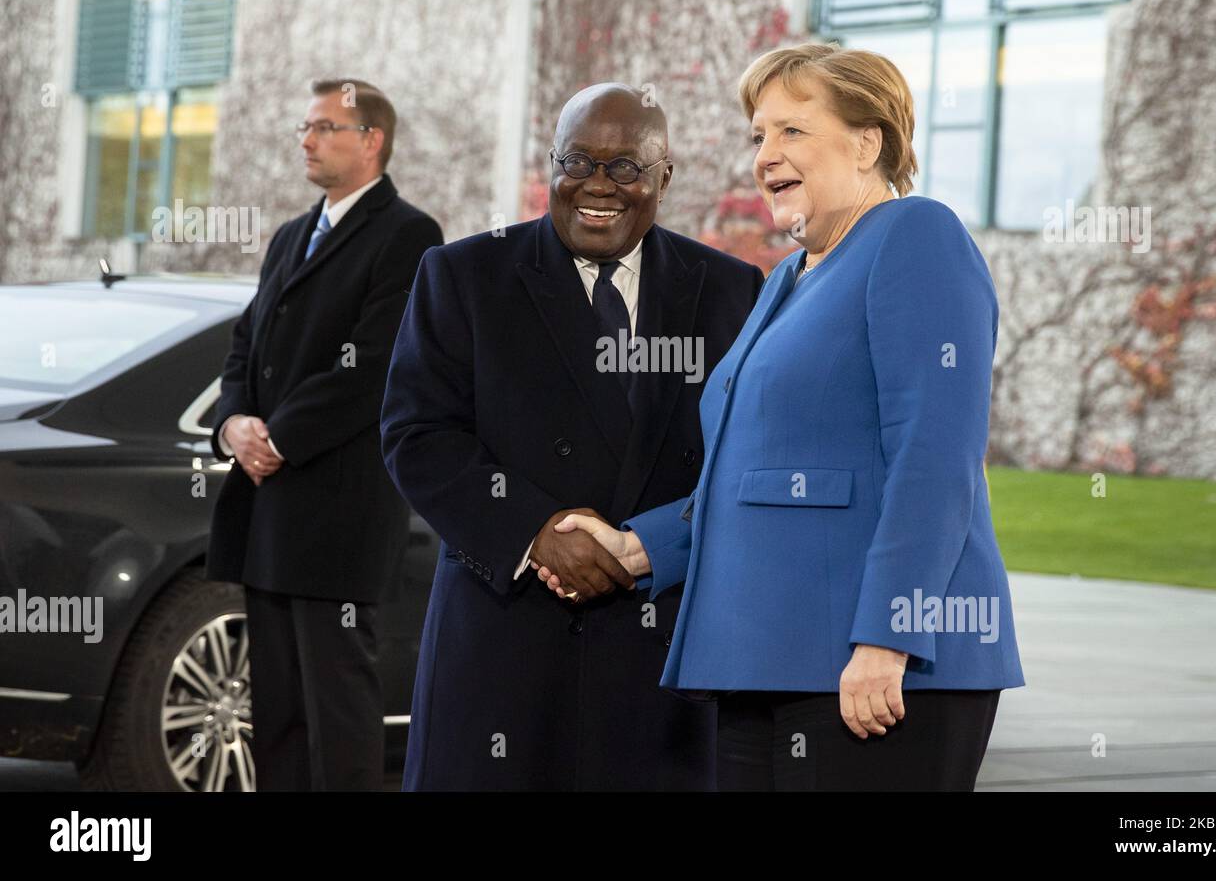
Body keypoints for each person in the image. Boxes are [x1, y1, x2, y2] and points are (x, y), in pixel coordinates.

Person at [544, 44, 1025, 791]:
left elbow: (935, 456)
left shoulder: (916, 236)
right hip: (763, 661)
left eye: (793, 131)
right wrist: (636, 549)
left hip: (873, 670)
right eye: (758, 135)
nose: (767, 155)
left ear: (869, 143)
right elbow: (746, 480)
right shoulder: (787, 280)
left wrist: (888, 638)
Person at [381, 83, 765, 790]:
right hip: (504, 638)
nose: (598, 185)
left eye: (626, 168)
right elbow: (418, 433)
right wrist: (534, 529)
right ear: (551, 162)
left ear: (664, 177)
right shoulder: (465, 275)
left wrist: (646, 545)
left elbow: (745, 463)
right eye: (579, 160)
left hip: (659, 647)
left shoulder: (731, 289)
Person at [206, 78, 443, 790]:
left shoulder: (407, 234)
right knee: (275, 709)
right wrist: (234, 423)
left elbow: (373, 367)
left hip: (337, 512)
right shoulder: (288, 236)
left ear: (371, 141)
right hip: (266, 507)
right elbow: (245, 346)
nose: (305, 141)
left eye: (323, 127)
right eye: (303, 128)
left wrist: (277, 438)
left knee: (337, 708)